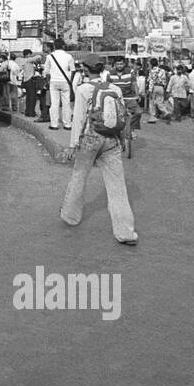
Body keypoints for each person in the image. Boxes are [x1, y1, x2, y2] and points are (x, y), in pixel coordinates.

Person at [59, 59, 138, 246]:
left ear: (86, 70)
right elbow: (119, 115)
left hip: (89, 139)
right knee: (117, 187)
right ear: (103, 69)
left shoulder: (83, 89)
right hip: (111, 139)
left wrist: (72, 145)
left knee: (79, 177)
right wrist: (121, 139)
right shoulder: (115, 89)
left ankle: (70, 216)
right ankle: (126, 232)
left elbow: (78, 118)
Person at [46, 41, 76, 130]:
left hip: (54, 81)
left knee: (54, 104)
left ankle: (54, 124)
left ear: (54, 46)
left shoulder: (50, 56)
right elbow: (73, 70)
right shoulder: (69, 56)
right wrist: (70, 81)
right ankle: (67, 124)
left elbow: (47, 72)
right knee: (66, 104)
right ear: (63, 46)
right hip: (65, 82)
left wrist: (48, 81)